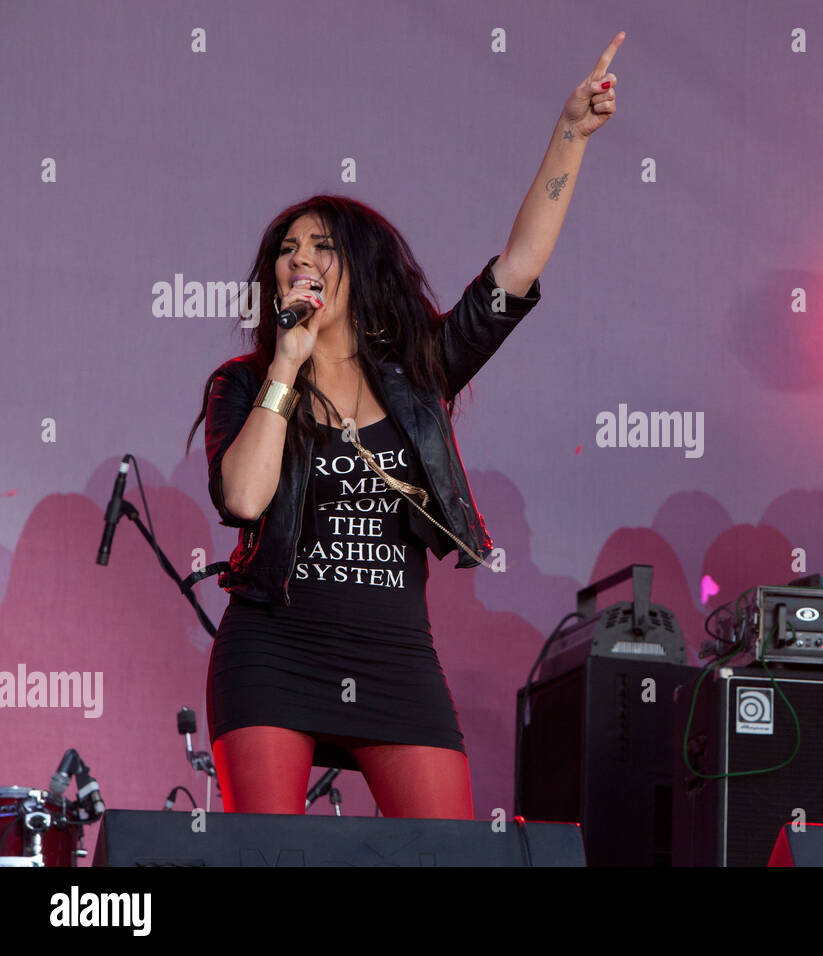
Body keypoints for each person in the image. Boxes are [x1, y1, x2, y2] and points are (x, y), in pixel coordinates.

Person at [183, 33, 624, 818]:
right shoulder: (246, 382)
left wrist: (569, 134)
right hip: (273, 651)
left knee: (444, 851)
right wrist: (288, 363)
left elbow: (517, 268)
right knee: (268, 857)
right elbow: (246, 500)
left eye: (322, 245)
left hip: (393, 655)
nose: (301, 258)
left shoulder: (420, 376)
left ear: (360, 267)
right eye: (287, 250)